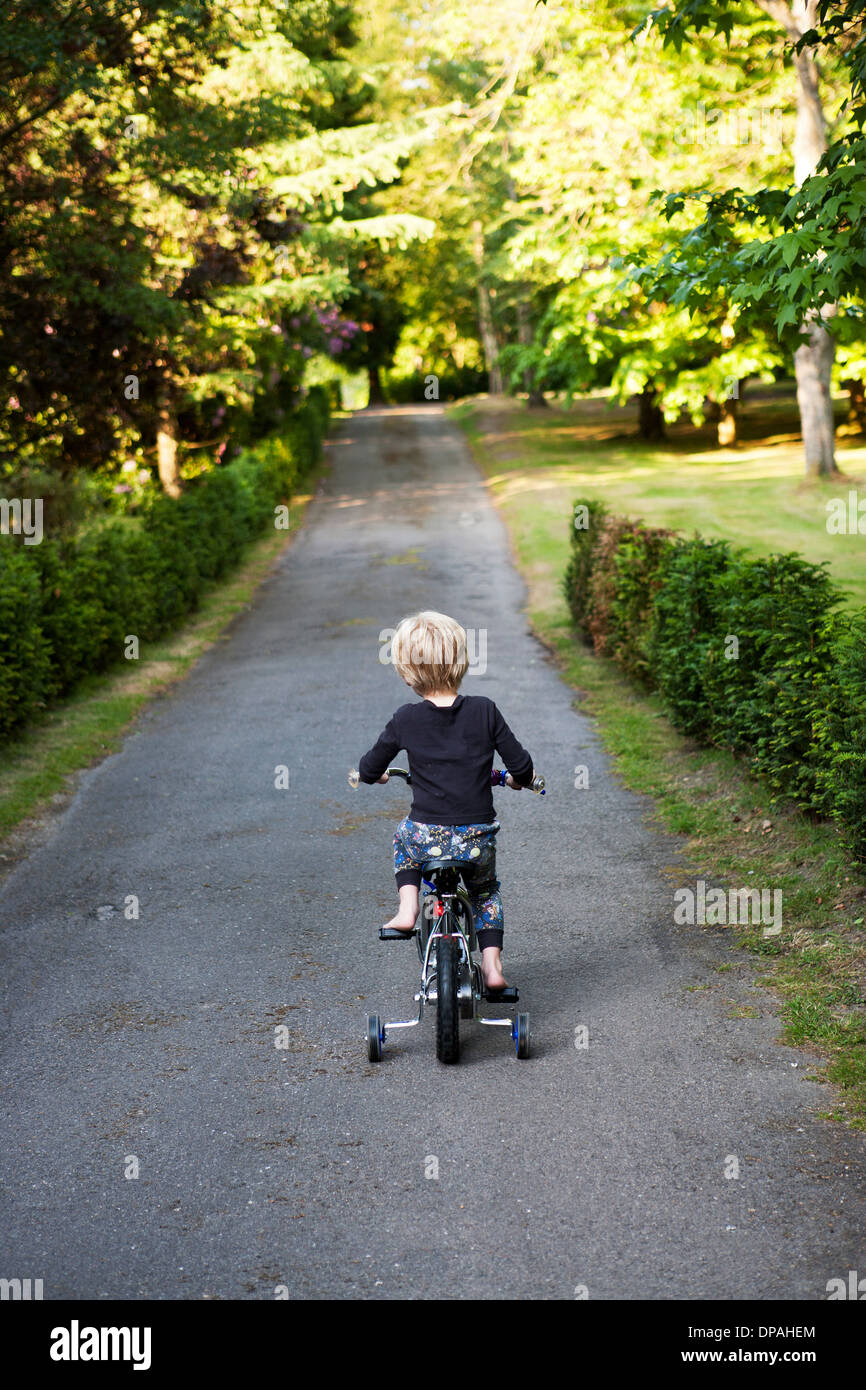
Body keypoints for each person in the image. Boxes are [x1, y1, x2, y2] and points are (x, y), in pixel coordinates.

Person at [356, 610, 536, 989]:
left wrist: (379, 776)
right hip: (476, 842)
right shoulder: (485, 710)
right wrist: (519, 780)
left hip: (425, 838)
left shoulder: (406, 719)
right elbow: (521, 765)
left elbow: (369, 768)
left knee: (402, 839)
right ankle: (492, 967)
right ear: (461, 661)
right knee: (486, 893)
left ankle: (407, 909)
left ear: (407, 670)